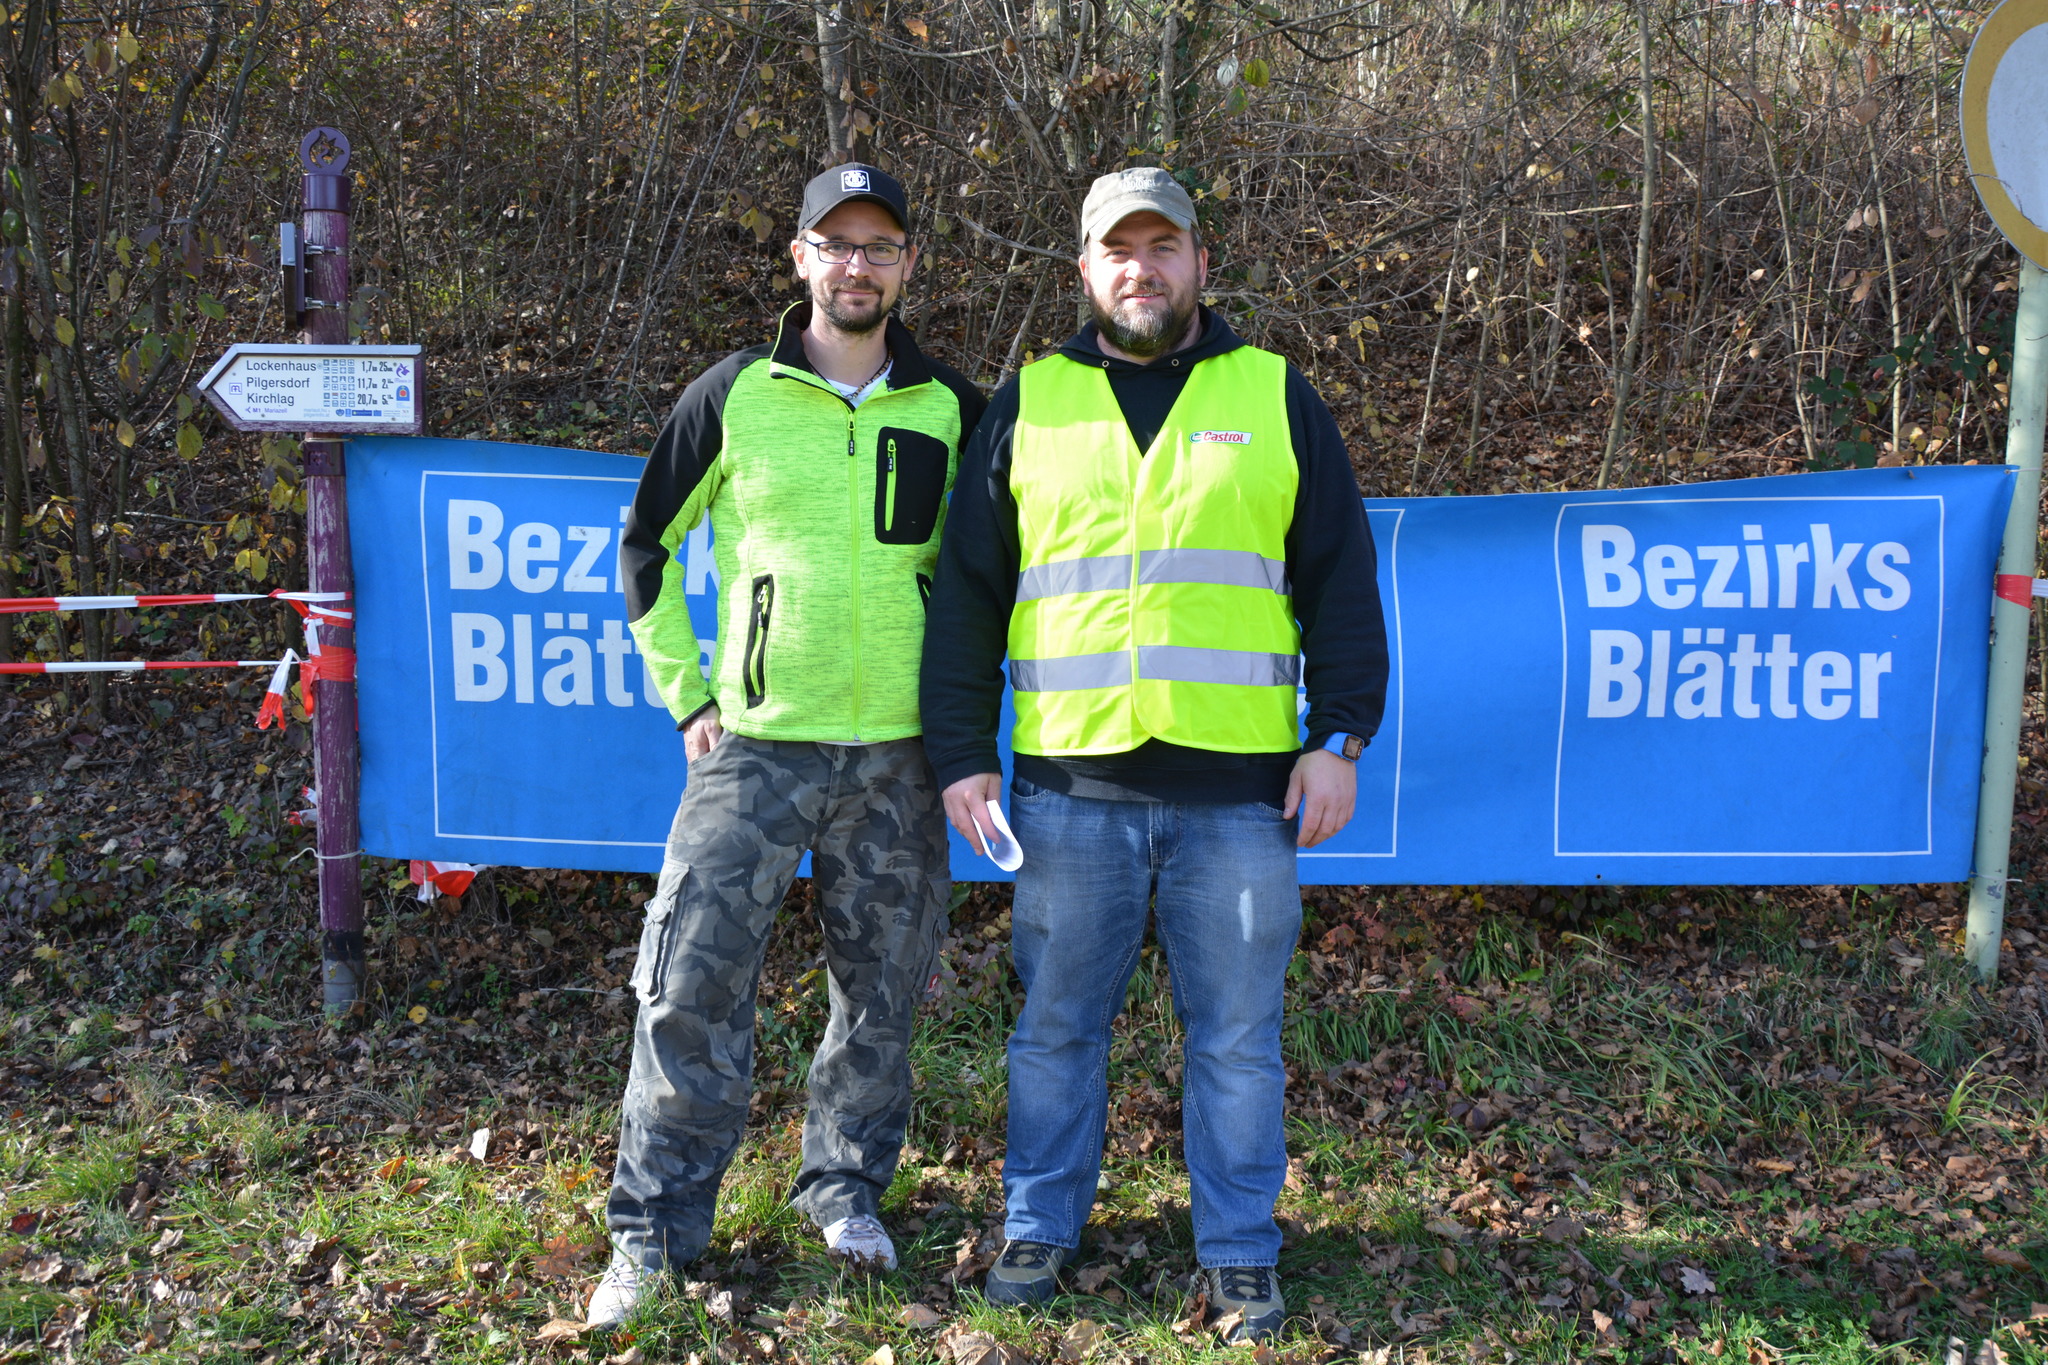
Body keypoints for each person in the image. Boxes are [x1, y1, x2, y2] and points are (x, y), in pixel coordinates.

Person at [919, 166, 1388, 1342]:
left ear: (1199, 262)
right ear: (1083, 270)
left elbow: (1338, 577)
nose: (1141, 269)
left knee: (1235, 1042)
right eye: (1117, 250)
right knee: (1052, 1031)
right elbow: (969, 595)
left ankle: (1238, 1250)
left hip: (1239, 800)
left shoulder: (1274, 394)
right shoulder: (1028, 404)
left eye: (1161, 246)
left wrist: (1338, 737)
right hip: (1068, 794)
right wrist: (960, 753)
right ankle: (1038, 1225)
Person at [588, 162, 985, 1327]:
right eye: (836, 244)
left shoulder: (952, 409)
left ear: (907, 264)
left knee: (881, 995)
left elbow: (983, 583)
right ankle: (652, 1237)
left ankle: (844, 1190)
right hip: (754, 752)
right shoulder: (731, 395)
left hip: (900, 759)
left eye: (880, 247)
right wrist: (688, 697)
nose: (857, 266)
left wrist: (962, 731)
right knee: (687, 988)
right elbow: (644, 548)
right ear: (800, 257)